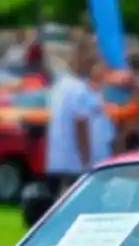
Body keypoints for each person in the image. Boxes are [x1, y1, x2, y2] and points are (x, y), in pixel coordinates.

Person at [44, 43, 108, 199]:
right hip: (75, 161)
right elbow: (80, 125)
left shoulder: (60, 85)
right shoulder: (79, 89)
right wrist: (86, 159)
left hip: (56, 160)